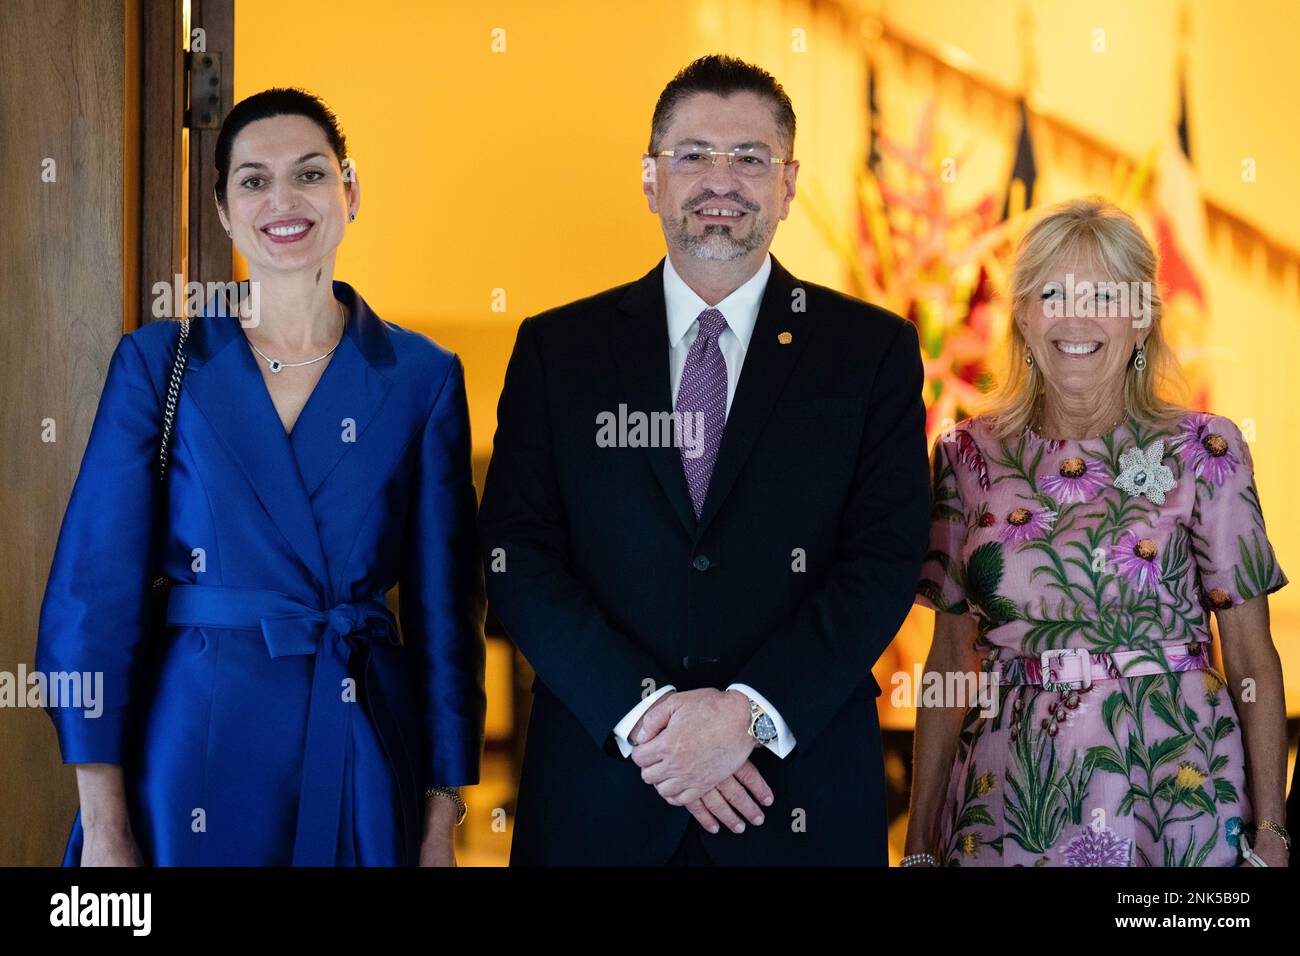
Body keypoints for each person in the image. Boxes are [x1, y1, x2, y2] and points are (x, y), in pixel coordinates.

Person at [478, 55, 930, 865]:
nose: (720, 180)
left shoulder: (871, 352)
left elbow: (885, 560)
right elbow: (519, 556)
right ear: (650, 179)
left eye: (750, 158)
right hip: (599, 795)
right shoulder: (558, 351)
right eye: (692, 155)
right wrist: (652, 722)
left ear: (789, 184)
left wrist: (748, 715)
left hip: (795, 801)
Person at [36, 88, 486, 866]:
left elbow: (448, 618)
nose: (283, 200)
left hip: (358, 737)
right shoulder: (159, 361)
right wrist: (104, 820)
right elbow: (92, 592)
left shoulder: (421, 376)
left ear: (351, 191)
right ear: (222, 209)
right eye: (253, 180)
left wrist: (443, 818)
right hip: (191, 744)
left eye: (310, 174)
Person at [906, 197, 1290, 867]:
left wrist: (1273, 834)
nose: (1076, 316)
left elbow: (1254, 663)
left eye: (1104, 295)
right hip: (1009, 803)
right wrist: (916, 848)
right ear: (1023, 315)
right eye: (1052, 292)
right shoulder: (966, 457)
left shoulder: (1208, 449)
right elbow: (949, 664)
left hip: (1183, 803)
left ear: (1141, 320)